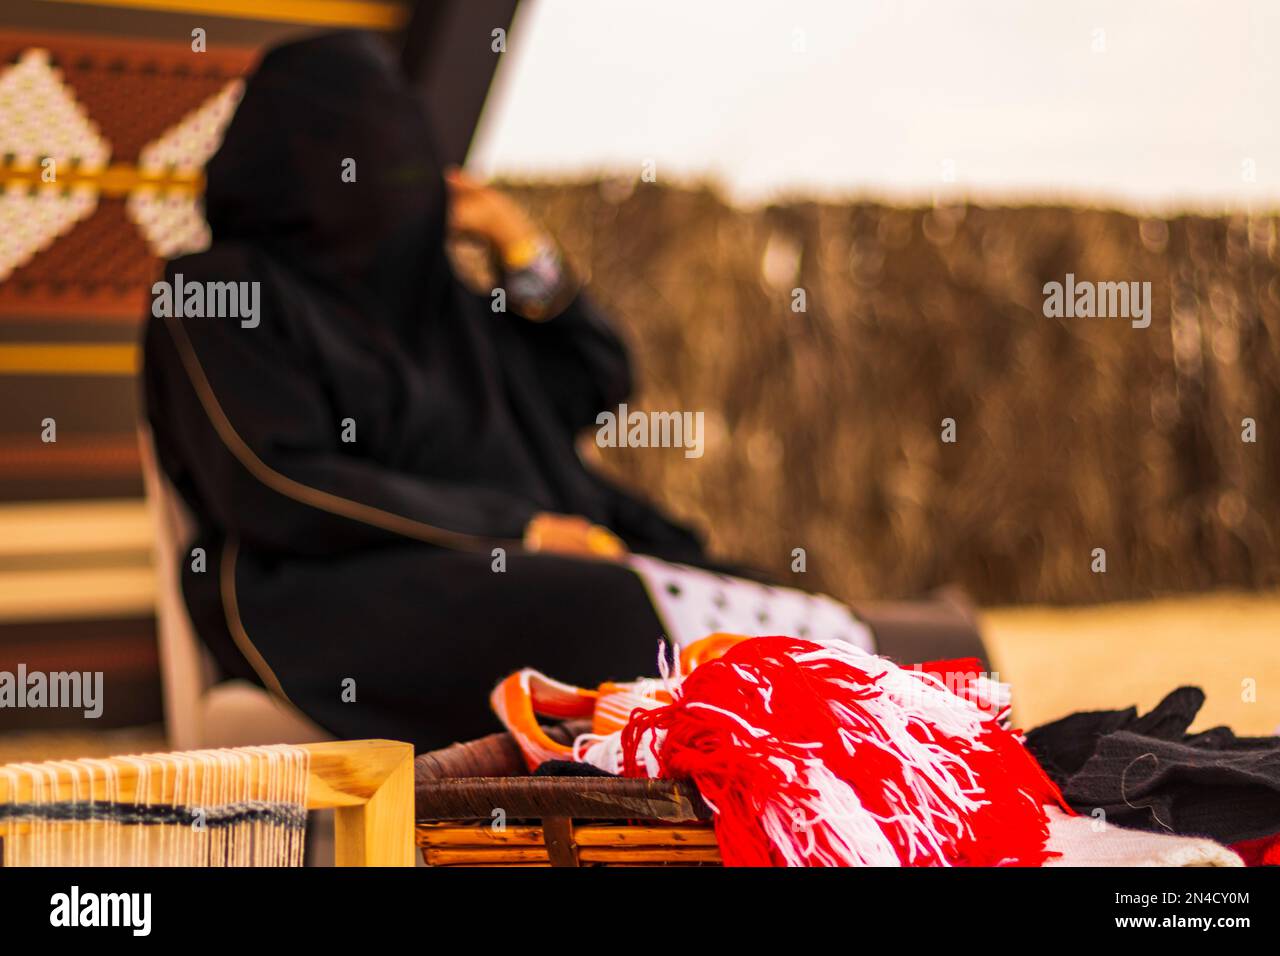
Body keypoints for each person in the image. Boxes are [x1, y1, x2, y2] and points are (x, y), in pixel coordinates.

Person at [143, 31, 980, 753]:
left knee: (817, 607)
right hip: (324, 598)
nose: (397, 163)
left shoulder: (445, 308)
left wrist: (523, 248)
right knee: (611, 607)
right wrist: (517, 529)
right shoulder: (220, 293)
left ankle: (947, 759)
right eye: (360, 140)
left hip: (533, 574)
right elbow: (275, 482)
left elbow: (593, 381)